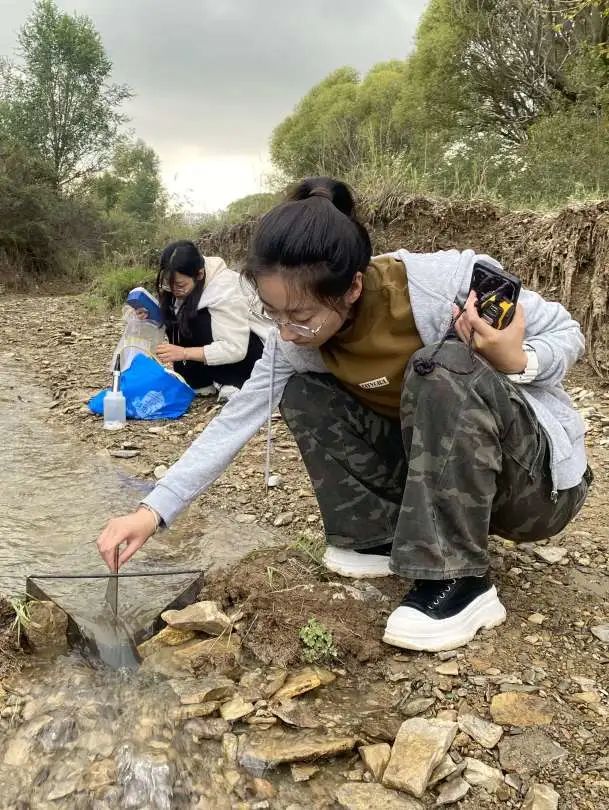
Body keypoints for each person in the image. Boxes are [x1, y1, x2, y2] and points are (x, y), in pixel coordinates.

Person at [97, 178, 592, 653]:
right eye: (273, 314)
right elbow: (234, 421)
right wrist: (151, 512)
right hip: (442, 480)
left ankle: (460, 580)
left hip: (534, 488)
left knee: (440, 366)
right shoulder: (293, 345)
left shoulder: (442, 288)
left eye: (302, 316)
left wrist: (517, 360)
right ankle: (374, 536)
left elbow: (568, 333)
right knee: (302, 391)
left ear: (352, 288)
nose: (287, 332)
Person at [151, 240, 266, 402]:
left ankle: (234, 381)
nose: (174, 290)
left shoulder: (226, 290)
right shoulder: (185, 283)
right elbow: (173, 311)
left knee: (199, 318)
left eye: (180, 285)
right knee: (174, 309)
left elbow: (235, 349)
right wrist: (150, 312)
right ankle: (202, 380)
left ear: (199, 274)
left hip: (252, 355)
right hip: (224, 352)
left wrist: (184, 353)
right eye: (169, 284)